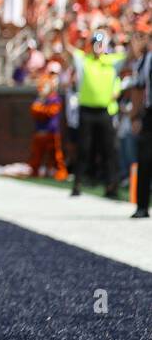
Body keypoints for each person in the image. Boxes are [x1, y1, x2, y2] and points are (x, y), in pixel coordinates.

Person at [66, 29, 124, 198]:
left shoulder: (112, 62)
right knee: (83, 149)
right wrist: (65, 28)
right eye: (95, 43)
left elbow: (131, 55)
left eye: (100, 43)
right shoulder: (85, 61)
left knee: (109, 150)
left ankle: (111, 186)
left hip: (105, 112)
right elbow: (67, 48)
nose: (97, 47)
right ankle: (77, 184)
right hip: (87, 112)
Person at [27, 76, 66, 181]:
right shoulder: (40, 99)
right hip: (40, 132)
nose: (41, 89)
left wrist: (41, 109)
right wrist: (41, 109)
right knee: (36, 155)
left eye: (44, 86)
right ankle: (34, 172)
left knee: (56, 155)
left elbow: (51, 112)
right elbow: (34, 110)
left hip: (51, 132)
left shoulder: (54, 98)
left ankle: (59, 172)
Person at [129, 32, 151, 219]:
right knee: (144, 160)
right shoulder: (146, 61)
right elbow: (138, 88)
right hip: (150, 113)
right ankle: (142, 206)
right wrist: (135, 116)